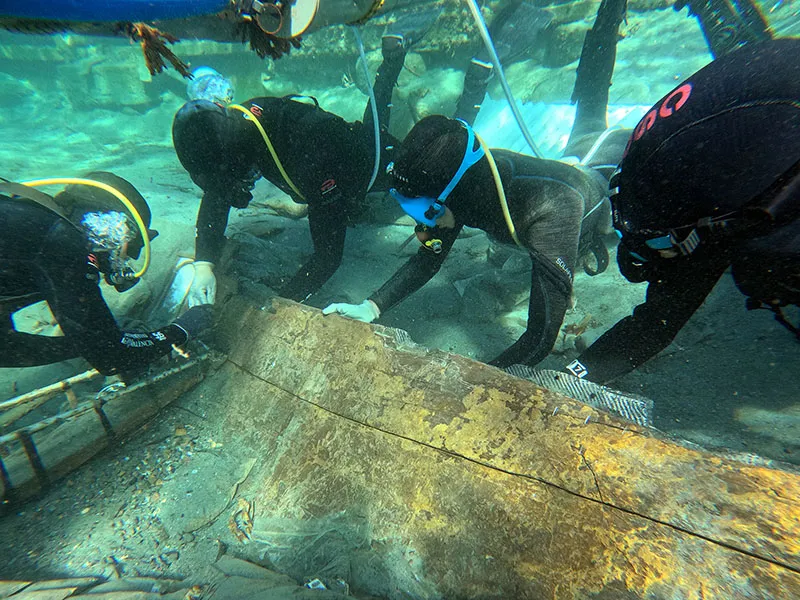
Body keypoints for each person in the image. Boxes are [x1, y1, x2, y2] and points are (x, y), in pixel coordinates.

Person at [323, 0, 631, 369]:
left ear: (453, 193)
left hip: (610, 165)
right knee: (591, 107)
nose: (423, 221)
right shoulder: (467, 185)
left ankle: (612, 8)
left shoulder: (552, 214)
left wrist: (483, 378)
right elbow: (429, 259)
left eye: (427, 208)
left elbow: (540, 338)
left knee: (593, 98)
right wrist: (369, 307)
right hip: (571, 161)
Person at [564, 38, 799, 384]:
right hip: (751, 115)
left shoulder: (676, 189)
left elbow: (670, 303)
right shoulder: (674, 185)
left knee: (760, 265)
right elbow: (663, 313)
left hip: (762, 117)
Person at [172, 31, 416, 307]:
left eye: (226, 177)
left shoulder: (306, 160)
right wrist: (204, 263)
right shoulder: (239, 127)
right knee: (373, 127)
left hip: (364, 168)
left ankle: (400, 62)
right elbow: (217, 195)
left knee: (391, 152)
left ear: (235, 160)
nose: (225, 187)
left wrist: (280, 303)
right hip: (332, 155)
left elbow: (328, 258)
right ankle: (392, 58)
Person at [0, 172, 213, 377]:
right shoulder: (59, 243)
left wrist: (84, 343)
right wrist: (180, 330)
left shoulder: (32, 219)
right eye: (125, 246)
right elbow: (111, 358)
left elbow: (6, 348)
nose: (119, 265)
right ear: (111, 229)